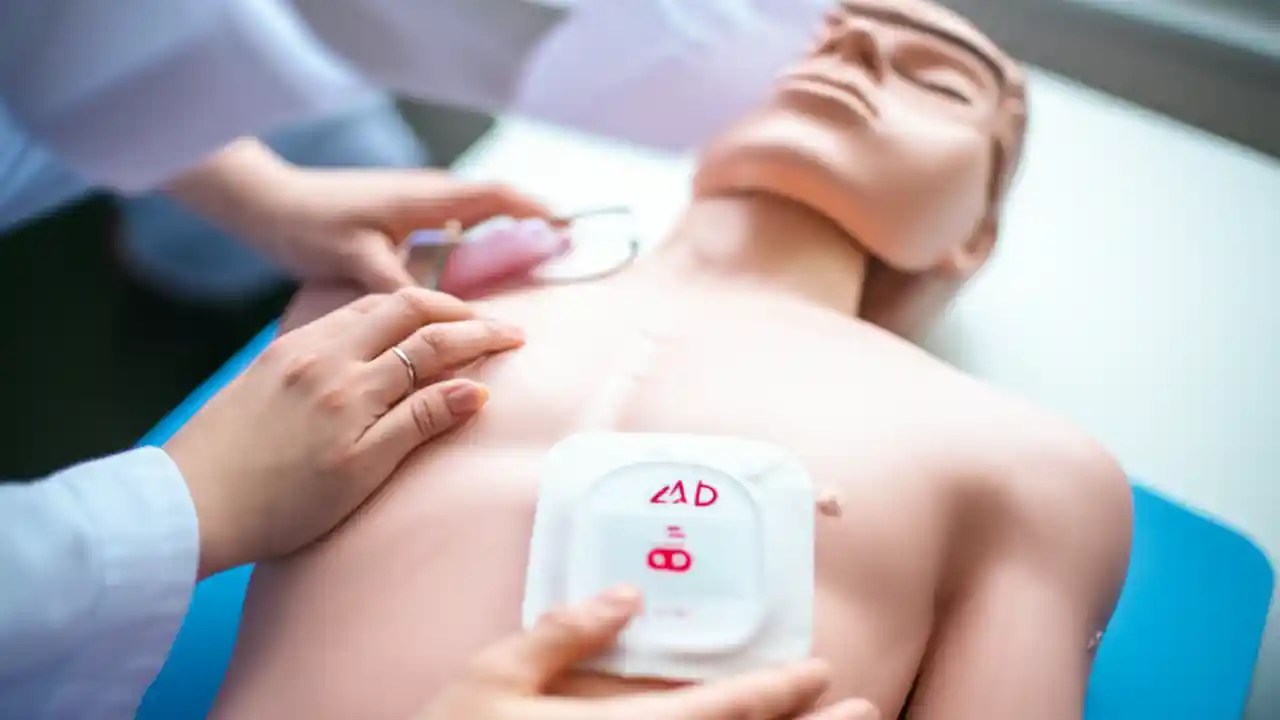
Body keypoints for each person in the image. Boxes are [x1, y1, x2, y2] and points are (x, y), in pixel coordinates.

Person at [210, 2, 1133, 719]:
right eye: (801, 30)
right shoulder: (380, 296)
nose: (849, 53)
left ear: (975, 234)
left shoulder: (1028, 467)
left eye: (935, 81)